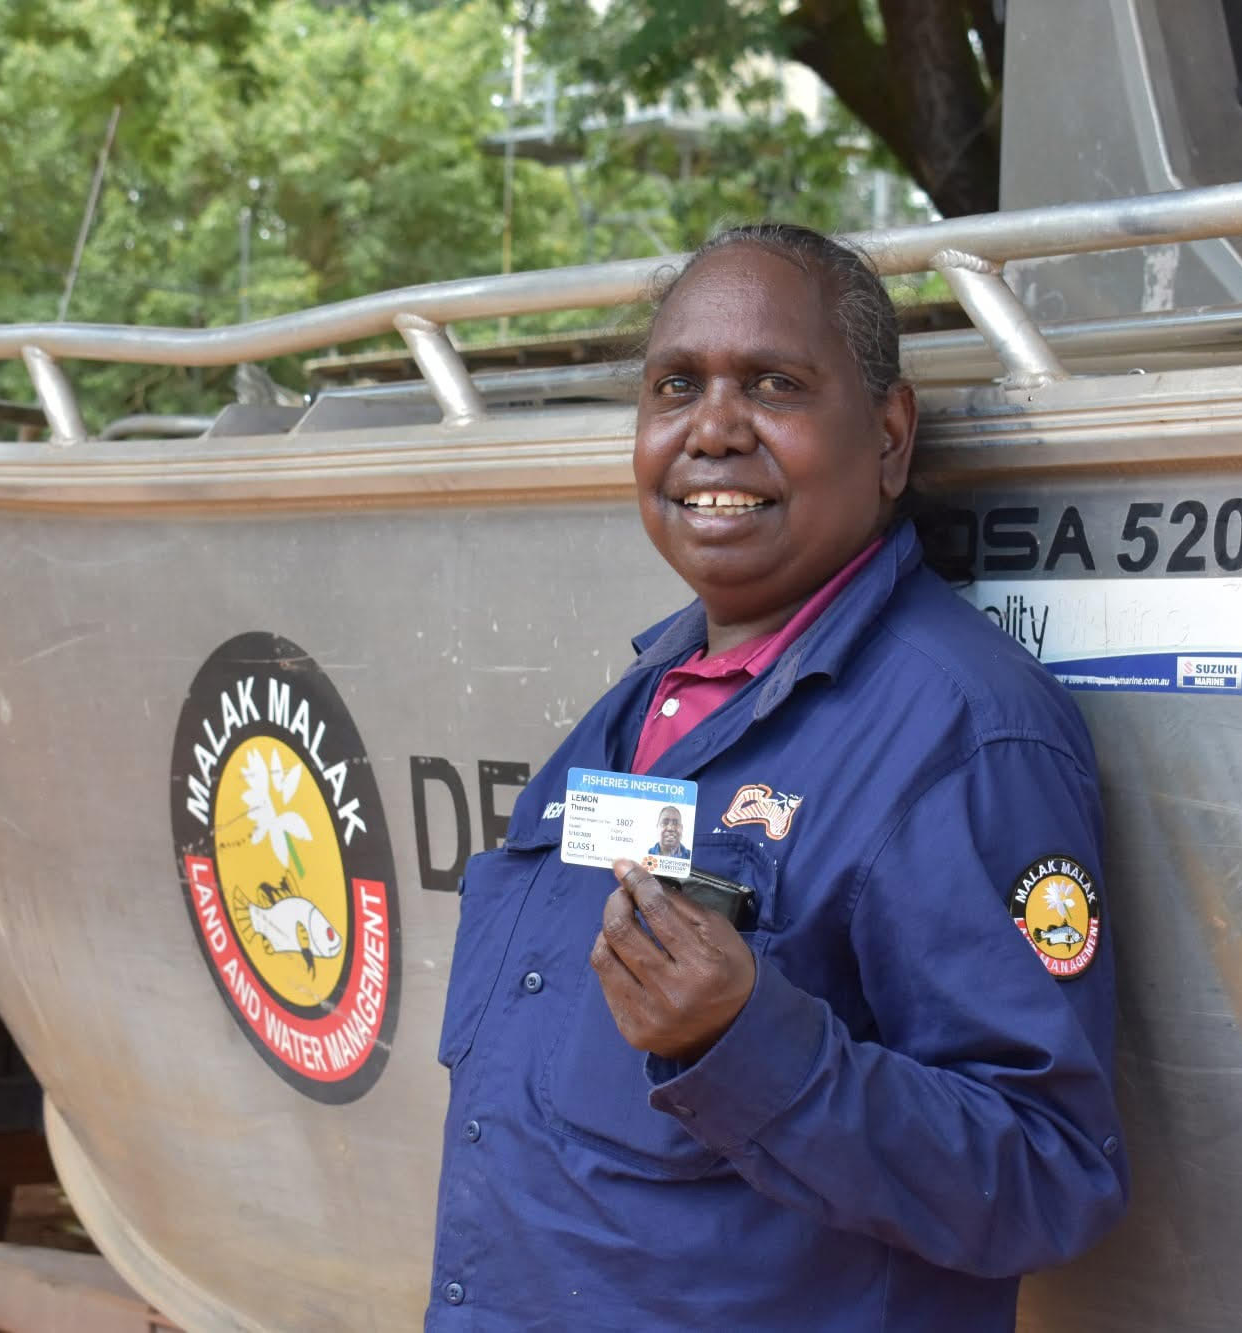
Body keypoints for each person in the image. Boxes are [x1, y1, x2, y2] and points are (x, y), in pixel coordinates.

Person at [427, 223, 1127, 1331]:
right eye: (674, 385)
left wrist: (748, 1044)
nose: (712, 428)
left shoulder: (961, 733)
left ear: (889, 437)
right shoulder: (638, 704)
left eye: (772, 383)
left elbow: (1046, 1171)